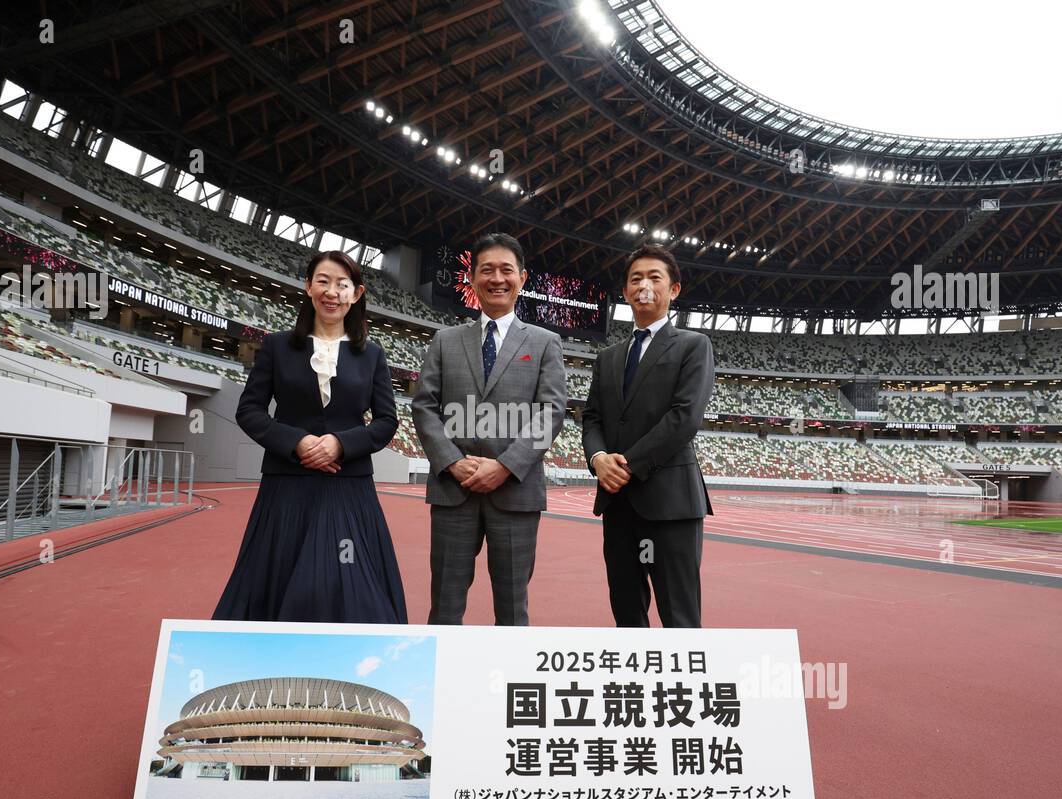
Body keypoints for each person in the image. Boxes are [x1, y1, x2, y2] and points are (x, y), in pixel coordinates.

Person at [213, 250, 407, 623]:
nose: (331, 292)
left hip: (348, 488)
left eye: (342, 284)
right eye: (323, 281)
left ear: (357, 293)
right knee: (276, 577)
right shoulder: (277, 347)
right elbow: (249, 411)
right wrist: (296, 443)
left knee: (349, 578)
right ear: (308, 286)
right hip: (287, 485)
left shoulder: (372, 356)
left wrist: (341, 444)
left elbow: (386, 421)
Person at [412, 232, 567, 626]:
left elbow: (551, 411)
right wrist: (453, 462)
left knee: (513, 607)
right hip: (453, 490)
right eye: (487, 270)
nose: (497, 278)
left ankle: (507, 685)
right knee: (445, 603)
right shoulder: (445, 341)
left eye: (506, 270)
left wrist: (505, 466)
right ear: (472, 279)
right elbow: (424, 406)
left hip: (515, 492)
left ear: (522, 278)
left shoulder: (546, 343)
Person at [582, 244, 715, 628]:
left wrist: (626, 465)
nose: (644, 285)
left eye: (654, 277)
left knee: (679, 616)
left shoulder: (693, 345)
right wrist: (598, 459)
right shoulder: (608, 358)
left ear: (673, 289)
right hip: (618, 505)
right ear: (625, 293)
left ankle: (683, 690)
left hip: (670, 505)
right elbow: (591, 419)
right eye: (635, 279)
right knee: (626, 610)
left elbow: (684, 417)